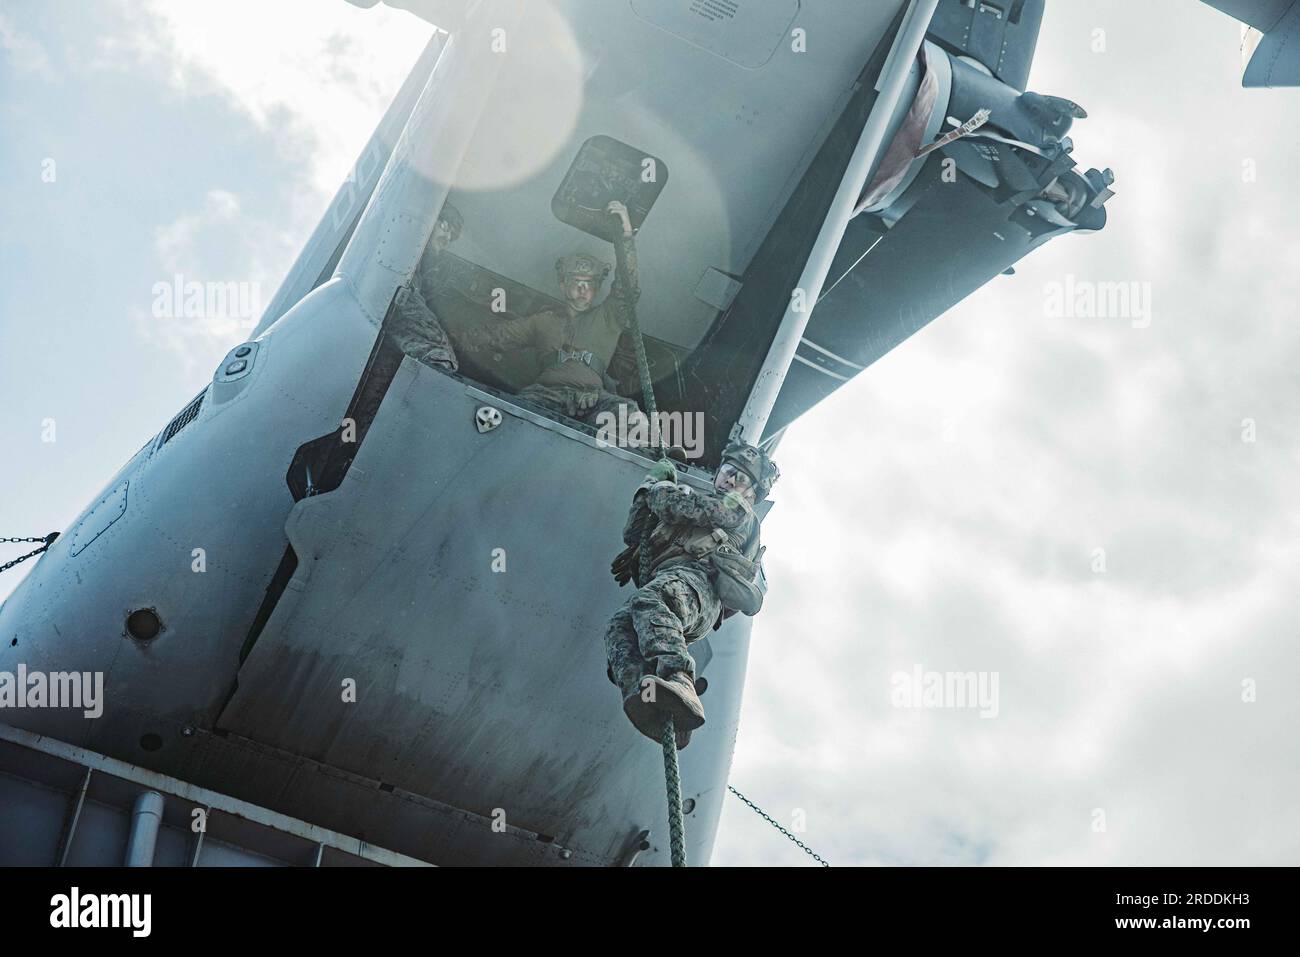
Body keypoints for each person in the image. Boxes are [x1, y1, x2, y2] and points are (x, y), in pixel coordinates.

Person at [603, 439, 779, 748]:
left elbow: (684, 506)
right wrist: (647, 488)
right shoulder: (683, 509)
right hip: (672, 584)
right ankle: (647, 699)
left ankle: (680, 681)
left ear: (752, 493)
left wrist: (660, 490)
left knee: (651, 600)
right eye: (728, 472)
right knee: (619, 627)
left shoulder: (736, 509)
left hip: (699, 588)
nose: (731, 481)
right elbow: (633, 533)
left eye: (741, 479)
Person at [457, 201, 644, 422]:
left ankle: (655, 451)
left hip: (595, 399)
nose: (583, 288)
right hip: (545, 395)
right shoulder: (542, 322)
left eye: (590, 283)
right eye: (576, 281)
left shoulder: (609, 317)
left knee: (630, 415)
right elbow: (497, 336)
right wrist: (454, 339)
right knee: (513, 416)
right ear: (563, 286)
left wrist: (625, 234)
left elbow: (627, 287)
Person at [388, 201, 465, 370]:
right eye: (445, 225)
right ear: (430, 220)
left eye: (452, 235)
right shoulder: (401, 247)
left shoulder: (425, 268)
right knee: (441, 356)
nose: (448, 237)